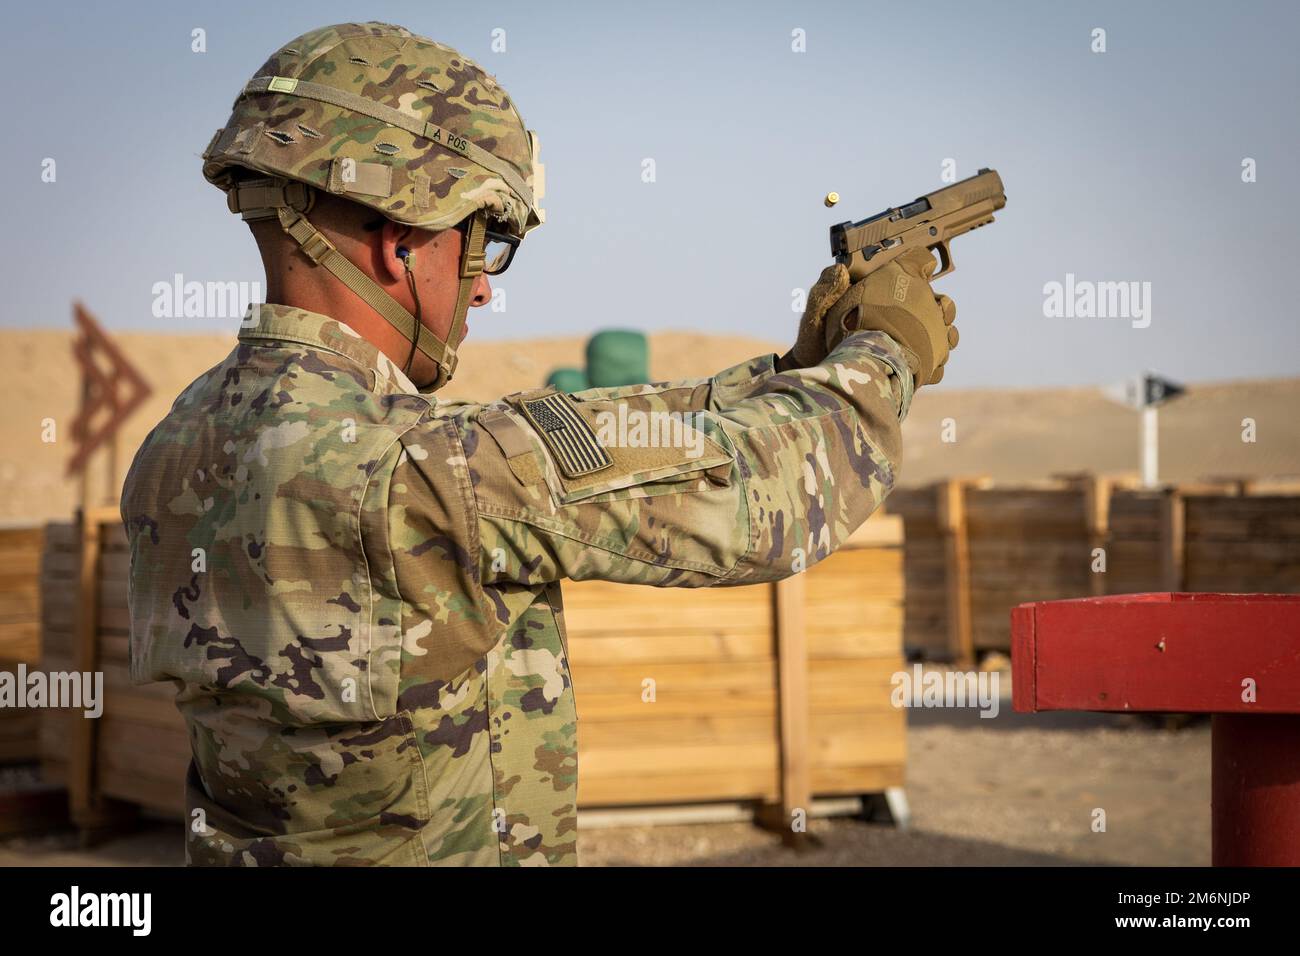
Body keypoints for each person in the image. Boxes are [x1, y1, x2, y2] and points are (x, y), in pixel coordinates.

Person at [120, 21, 959, 866]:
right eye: (486, 242)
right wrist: (889, 351)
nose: (483, 286)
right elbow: (771, 497)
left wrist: (791, 368)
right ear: (400, 237)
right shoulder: (426, 470)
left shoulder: (174, 451)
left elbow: (581, 440)